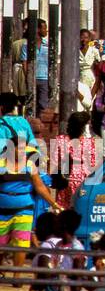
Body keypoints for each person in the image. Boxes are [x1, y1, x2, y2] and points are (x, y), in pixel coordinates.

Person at [0, 111, 59, 265]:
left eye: (22, 149)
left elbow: (39, 187)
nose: (21, 152)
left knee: (21, 244)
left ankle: (18, 276)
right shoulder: (1, 165)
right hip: (2, 211)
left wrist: (55, 204)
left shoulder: (29, 165)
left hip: (24, 209)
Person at [48, 112, 97, 211]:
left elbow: (52, 165)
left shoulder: (60, 140)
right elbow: (93, 166)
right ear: (83, 127)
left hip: (64, 183)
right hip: (82, 184)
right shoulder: (90, 143)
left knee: (64, 211)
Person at [19, 19, 51, 113]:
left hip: (45, 78)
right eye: (44, 28)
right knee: (31, 103)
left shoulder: (48, 45)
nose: (46, 30)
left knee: (43, 104)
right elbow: (24, 62)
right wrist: (28, 78)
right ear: (38, 29)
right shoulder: (26, 46)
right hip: (32, 78)